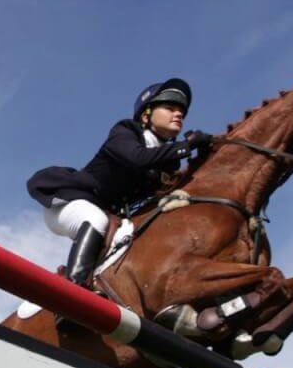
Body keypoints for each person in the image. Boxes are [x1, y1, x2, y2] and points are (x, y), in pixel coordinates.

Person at [26, 78, 212, 286]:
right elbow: (138, 158)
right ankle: (73, 289)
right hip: (71, 203)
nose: (178, 115)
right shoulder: (126, 130)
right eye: (170, 108)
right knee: (96, 219)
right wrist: (186, 145)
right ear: (146, 114)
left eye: (181, 113)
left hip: (111, 216)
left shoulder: (169, 162)